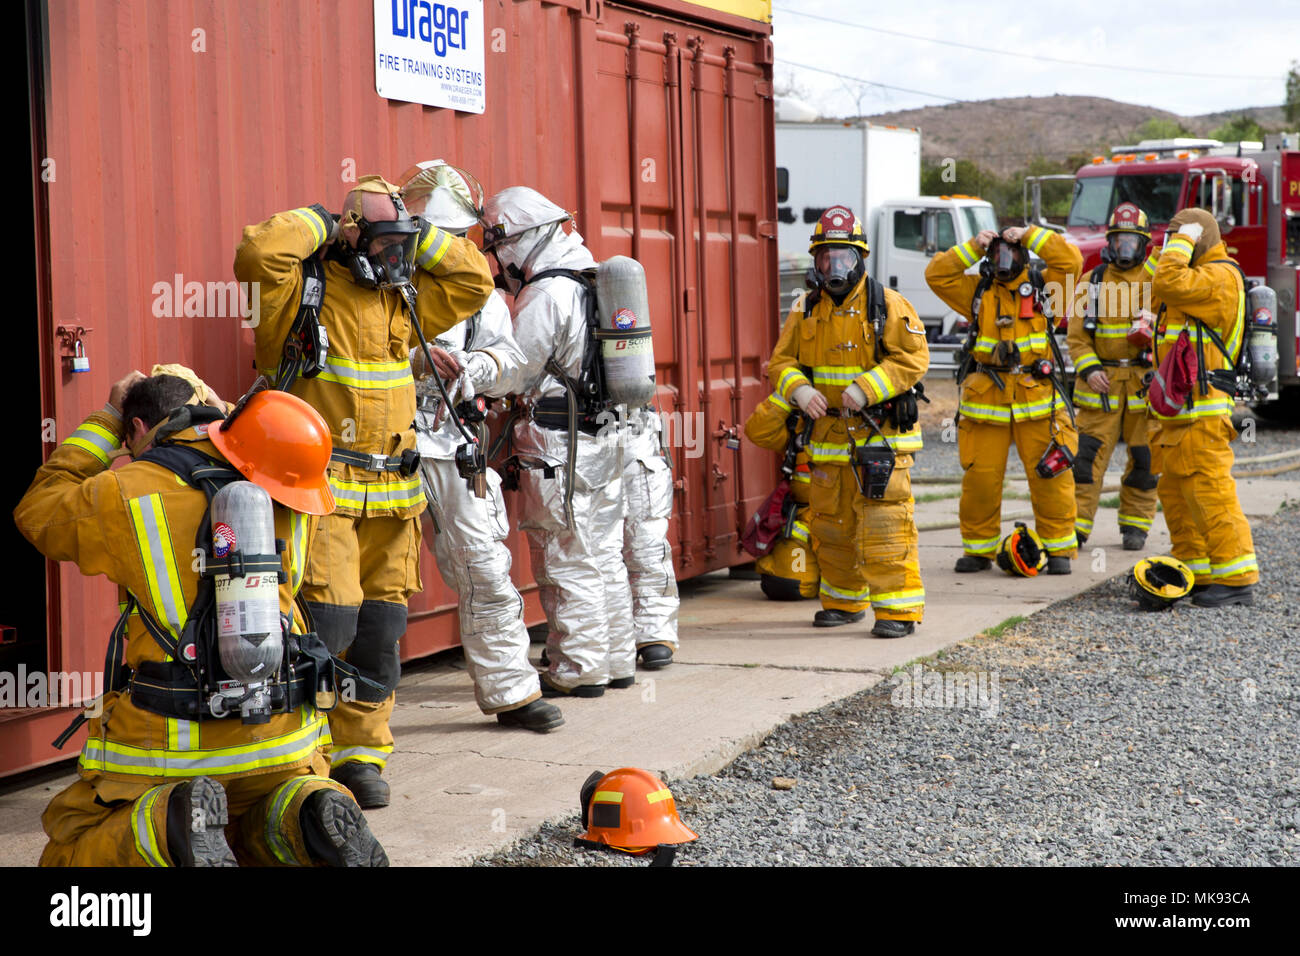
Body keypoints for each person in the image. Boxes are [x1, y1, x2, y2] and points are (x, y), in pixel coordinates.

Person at [13, 369, 387, 866]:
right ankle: (307, 813)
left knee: (71, 846)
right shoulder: (278, 473)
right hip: (282, 736)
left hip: (174, 744)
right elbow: (253, 430)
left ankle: (171, 825)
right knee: (254, 826)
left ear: (137, 428)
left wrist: (106, 421)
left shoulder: (124, 491)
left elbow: (36, 511)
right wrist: (215, 405)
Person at [234, 177, 494, 808]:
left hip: (393, 495)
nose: (395, 260)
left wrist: (413, 229)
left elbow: (473, 281)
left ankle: (363, 752)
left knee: (381, 628)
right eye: (384, 245)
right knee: (326, 623)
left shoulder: (402, 298)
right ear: (351, 238)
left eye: (402, 247)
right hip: (323, 494)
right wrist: (331, 222)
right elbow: (257, 253)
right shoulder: (299, 295)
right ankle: (310, 751)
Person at [397, 161, 563, 732]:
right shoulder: (368, 285)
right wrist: (411, 360)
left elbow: (512, 363)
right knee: (369, 585)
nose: (435, 248)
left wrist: (476, 365)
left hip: (451, 446)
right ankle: (348, 730)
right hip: (378, 448)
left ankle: (512, 692)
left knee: (485, 567)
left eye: (448, 237)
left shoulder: (481, 297)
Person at [480, 186, 635, 694]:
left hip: (557, 446)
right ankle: (615, 660)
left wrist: (471, 373)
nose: (500, 258)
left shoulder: (546, 293)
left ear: (528, 238)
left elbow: (514, 372)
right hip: (604, 437)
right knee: (604, 553)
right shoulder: (591, 276)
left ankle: (579, 670)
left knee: (566, 555)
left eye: (502, 245)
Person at [766, 206, 928, 637]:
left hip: (880, 439)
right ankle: (842, 601)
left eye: (844, 258)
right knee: (831, 527)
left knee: (884, 528)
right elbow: (781, 362)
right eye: (826, 258)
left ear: (861, 259)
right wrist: (799, 390)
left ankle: (897, 611)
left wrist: (867, 388)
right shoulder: (805, 309)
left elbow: (913, 359)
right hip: (828, 439)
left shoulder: (888, 305)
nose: (835, 267)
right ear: (816, 261)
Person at [926, 223, 1084, 573]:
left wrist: (1028, 233)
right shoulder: (977, 291)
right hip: (986, 403)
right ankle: (978, 550)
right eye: (996, 252)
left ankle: (1059, 549)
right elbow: (936, 275)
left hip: (1038, 401)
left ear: (1024, 255)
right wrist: (971, 246)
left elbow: (1071, 260)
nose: (1003, 259)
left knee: (1051, 477)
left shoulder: (1046, 289)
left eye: (1010, 251)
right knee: (980, 479)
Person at [1149, 207, 1258, 606]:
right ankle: (1197, 567)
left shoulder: (1219, 277)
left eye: (1180, 238)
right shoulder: (1196, 275)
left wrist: (1182, 241)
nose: (1172, 247)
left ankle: (1237, 577)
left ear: (1199, 239)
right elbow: (1159, 282)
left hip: (1204, 411)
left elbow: (1167, 279)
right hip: (1180, 413)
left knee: (1210, 491)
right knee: (1178, 491)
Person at [1068, 202, 1161, 551]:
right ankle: (1075, 528)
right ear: (1109, 243)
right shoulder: (1091, 282)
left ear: (1143, 244)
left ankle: (1135, 527)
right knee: (1086, 461)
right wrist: (1090, 370)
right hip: (1100, 386)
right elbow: (1077, 338)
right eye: (1119, 241)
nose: (1125, 249)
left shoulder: (1157, 281)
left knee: (1145, 460)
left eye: (1132, 242)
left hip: (1143, 385)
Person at [743, 390, 820, 600]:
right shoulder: (800, 420)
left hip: (850, 515)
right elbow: (757, 431)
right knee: (787, 584)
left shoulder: (860, 416)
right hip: (807, 516)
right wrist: (791, 394)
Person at [619, 404, 679, 668]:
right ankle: (653, 637)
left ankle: (653, 635)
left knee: (644, 544)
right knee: (584, 550)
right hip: (632, 436)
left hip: (615, 433)